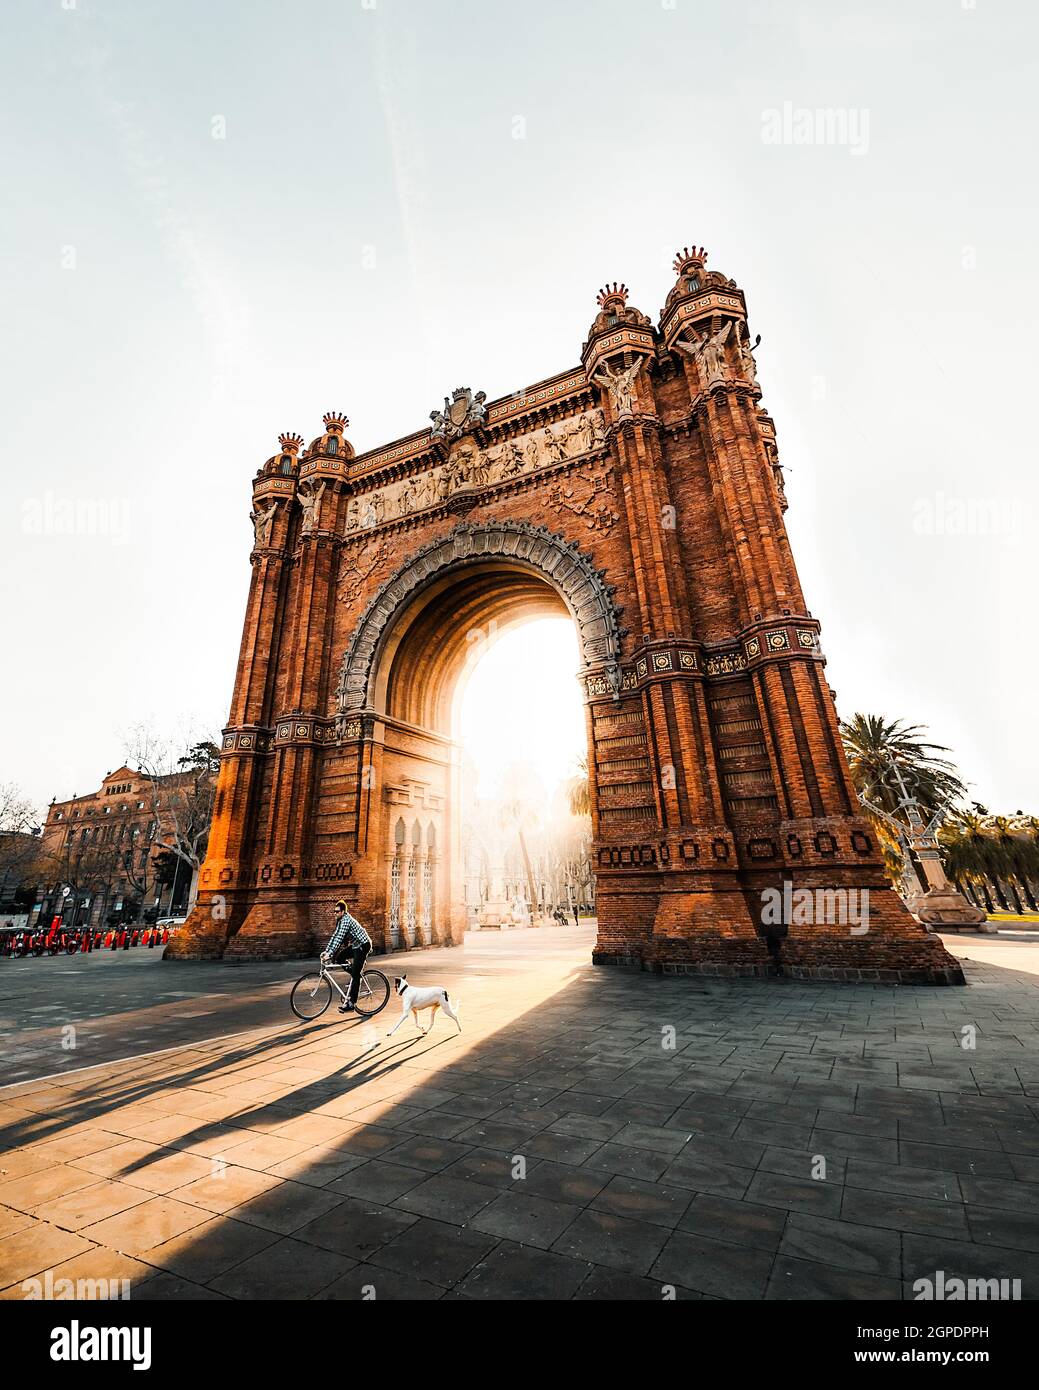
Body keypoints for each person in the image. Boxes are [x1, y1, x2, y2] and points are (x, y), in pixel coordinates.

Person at [321, 899, 372, 1013]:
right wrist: (327, 951)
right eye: (334, 911)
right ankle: (355, 974)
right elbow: (335, 936)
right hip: (355, 946)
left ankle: (351, 1003)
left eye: (337, 911)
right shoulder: (340, 920)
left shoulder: (346, 921)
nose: (335, 913)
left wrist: (330, 953)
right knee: (340, 958)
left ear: (343, 911)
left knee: (355, 974)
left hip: (363, 946)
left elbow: (339, 939)